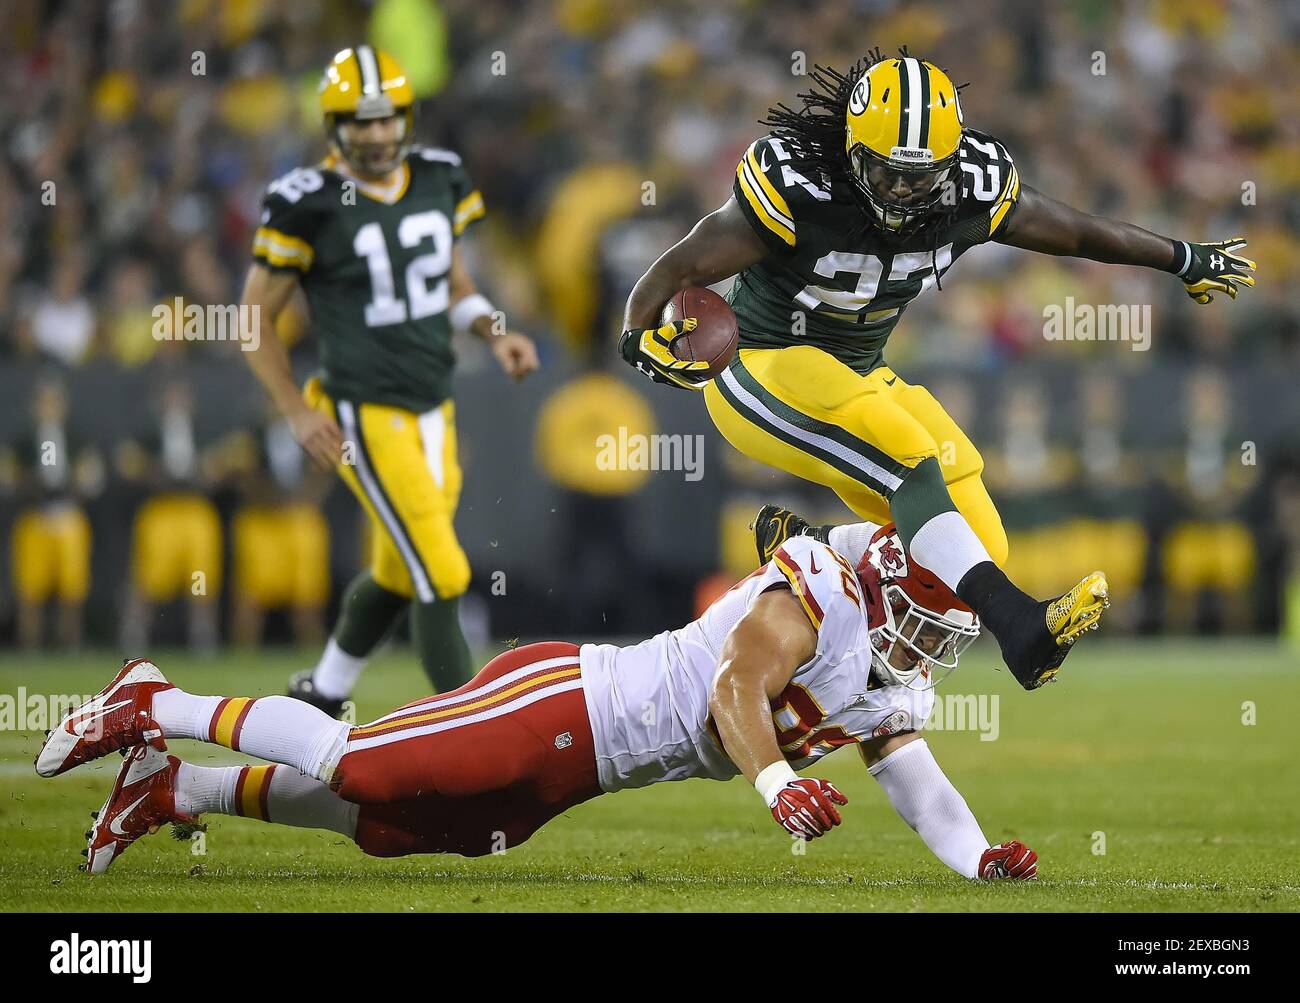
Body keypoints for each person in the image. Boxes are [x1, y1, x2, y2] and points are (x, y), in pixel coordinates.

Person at [618, 51, 1255, 690]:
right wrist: (637, 335)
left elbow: (1078, 232)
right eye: (886, 172)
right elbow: (683, 265)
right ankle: (1018, 624)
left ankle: (816, 552)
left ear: (949, 166)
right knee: (907, 456)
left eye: (916, 178)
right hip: (763, 367)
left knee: (977, 536)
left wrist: (1181, 257)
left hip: (861, 372)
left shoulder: (971, 190)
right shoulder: (802, 186)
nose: (899, 191)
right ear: (852, 149)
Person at [41, 521, 1034, 883]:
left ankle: (179, 793)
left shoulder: (889, 677)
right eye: (929, 627)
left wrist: (977, 858)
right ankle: (155, 697)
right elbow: (738, 686)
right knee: (361, 760)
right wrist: (773, 779)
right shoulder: (813, 597)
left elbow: (916, 782)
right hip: (563, 698)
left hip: (587, 769)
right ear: (892, 591)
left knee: (391, 828)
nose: (930, 651)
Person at [239, 46, 540, 708]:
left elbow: (455, 283)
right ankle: (471, 734)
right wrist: (295, 409)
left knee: (398, 570)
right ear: (333, 125)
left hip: (435, 403)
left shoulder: (439, 175)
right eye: (360, 121)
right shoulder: (306, 200)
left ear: (407, 116)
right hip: (360, 409)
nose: (376, 134)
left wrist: (498, 333)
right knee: (443, 568)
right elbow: (253, 319)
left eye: (387, 119)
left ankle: (321, 693)